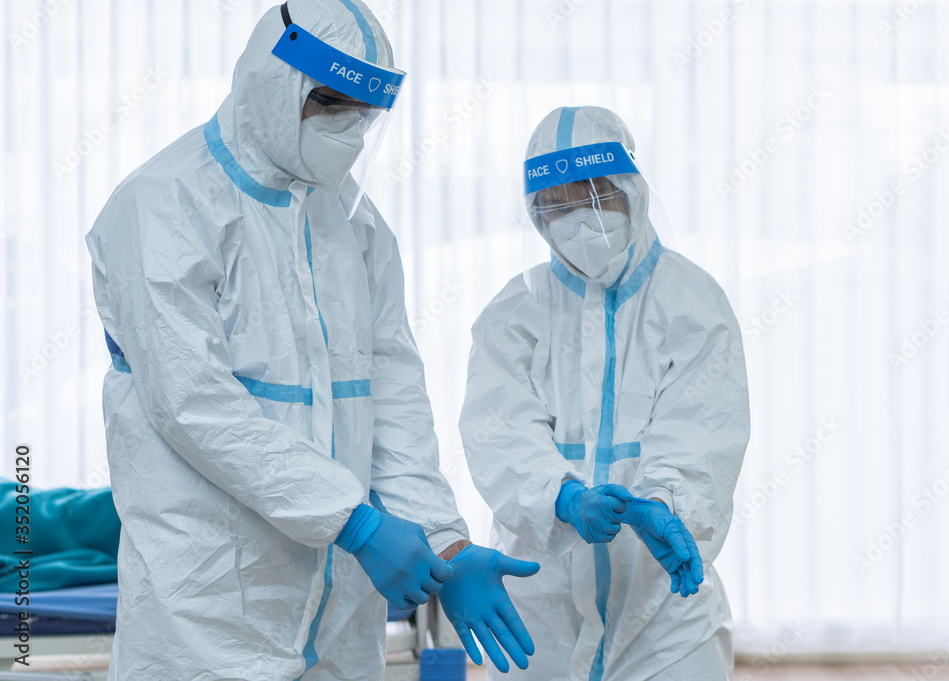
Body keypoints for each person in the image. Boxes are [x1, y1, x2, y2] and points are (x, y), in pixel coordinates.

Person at [86, 2, 538, 679]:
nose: (348, 129)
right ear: (274, 80)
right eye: (330, 104)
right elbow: (195, 404)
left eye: (363, 112)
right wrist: (354, 521)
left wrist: (446, 540)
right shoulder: (162, 205)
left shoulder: (354, 225)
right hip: (209, 603)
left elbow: (393, 396)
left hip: (340, 607)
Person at [460, 105, 751, 681]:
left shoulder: (692, 302)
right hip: (540, 608)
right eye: (557, 205)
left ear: (628, 191)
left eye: (592, 197)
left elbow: (703, 427)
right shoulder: (514, 313)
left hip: (663, 606)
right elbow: (498, 430)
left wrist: (666, 505)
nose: (577, 221)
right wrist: (560, 498)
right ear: (536, 214)